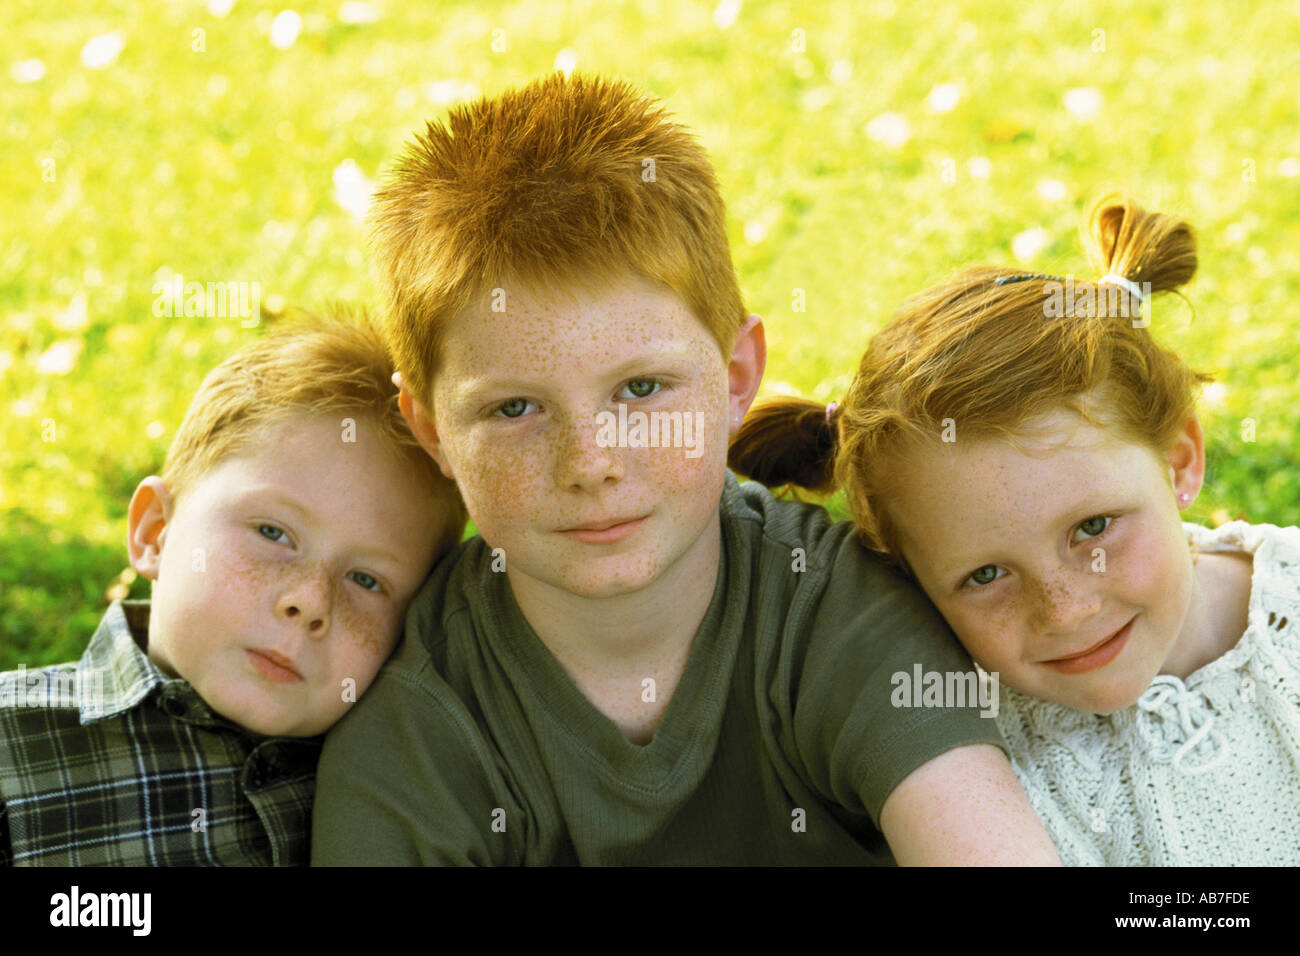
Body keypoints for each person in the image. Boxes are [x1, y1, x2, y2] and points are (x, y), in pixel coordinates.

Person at [310, 72, 1061, 865]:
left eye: (640, 390)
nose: (590, 463)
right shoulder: (418, 725)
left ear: (736, 379)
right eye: (515, 409)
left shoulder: (832, 612)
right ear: (430, 429)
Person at [730, 193, 1300, 865]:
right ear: (911, 581)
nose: (1065, 610)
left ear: (1179, 460)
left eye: (1093, 527)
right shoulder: (964, 767)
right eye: (986, 574)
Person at [0, 311, 465, 865]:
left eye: (366, 580)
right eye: (273, 533)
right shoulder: (12, 745)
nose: (310, 601)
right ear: (155, 532)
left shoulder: (409, 782)